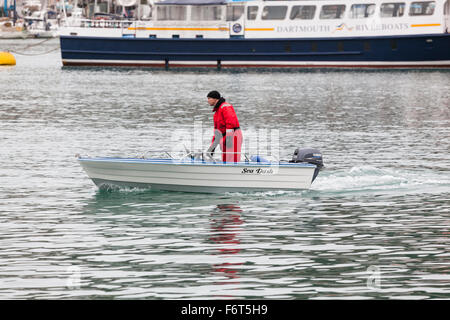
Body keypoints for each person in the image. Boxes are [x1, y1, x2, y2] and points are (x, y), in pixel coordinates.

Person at [206, 91, 243, 163]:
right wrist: (212, 147)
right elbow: (217, 132)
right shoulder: (217, 112)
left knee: (232, 159)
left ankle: (233, 171)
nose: (207, 101)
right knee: (226, 159)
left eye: (209, 98)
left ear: (215, 99)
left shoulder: (225, 107)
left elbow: (231, 123)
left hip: (233, 136)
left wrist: (228, 138)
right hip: (226, 137)